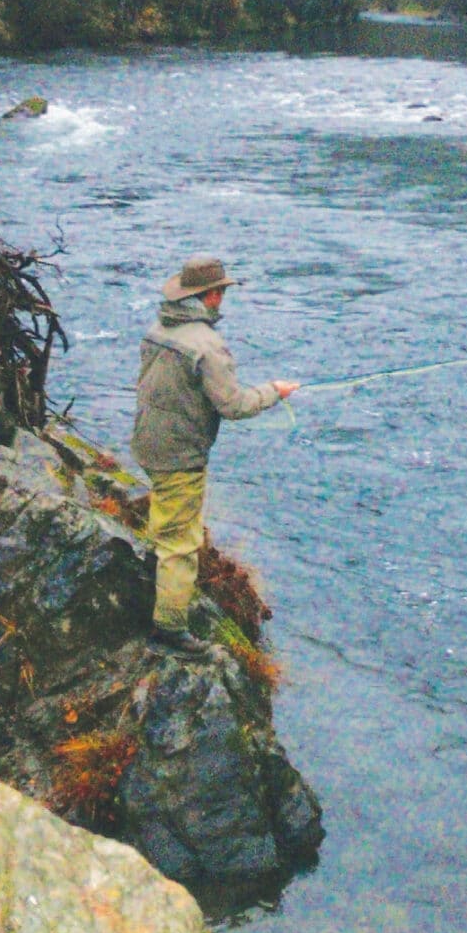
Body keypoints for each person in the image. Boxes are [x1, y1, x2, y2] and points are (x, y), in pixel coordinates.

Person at [131, 255, 298, 651]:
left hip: (146, 439)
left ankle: (154, 575)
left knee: (166, 519)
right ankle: (169, 627)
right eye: (221, 292)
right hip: (179, 454)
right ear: (210, 296)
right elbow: (234, 404)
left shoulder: (159, 327)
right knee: (181, 543)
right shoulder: (207, 344)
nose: (223, 299)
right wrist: (276, 390)